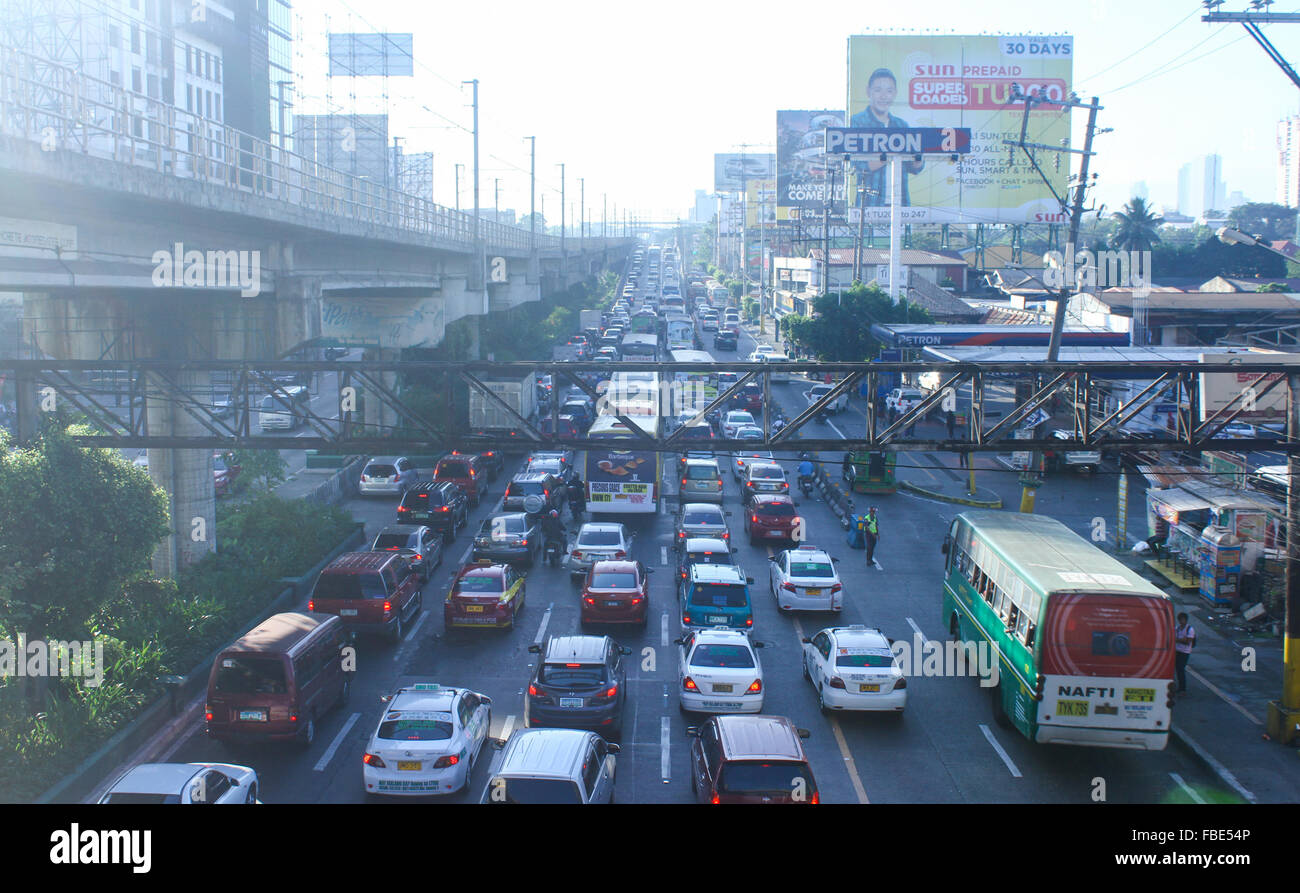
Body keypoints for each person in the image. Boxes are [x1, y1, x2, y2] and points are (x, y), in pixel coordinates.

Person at [849, 68, 925, 208]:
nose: (883, 96)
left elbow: (915, 168)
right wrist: (891, 153)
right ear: (868, 91)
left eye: (889, 91)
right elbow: (857, 166)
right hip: (869, 206)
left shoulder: (901, 125)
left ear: (895, 94)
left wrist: (919, 153)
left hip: (899, 205)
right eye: (878, 90)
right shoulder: (857, 122)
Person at [1174, 612, 1196, 694]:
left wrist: (1178, 640)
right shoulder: (1177, 628)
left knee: (1180, 668)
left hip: (1185, 652)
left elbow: (1188, 641)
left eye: (1183, 619)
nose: (1181, 621)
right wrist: (1182, 639)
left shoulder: (1190, 629)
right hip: (1177, 650)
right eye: (1180, 620)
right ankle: (1180, 687)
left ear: (1186, 620)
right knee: (1177, 669)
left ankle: (1182, 688)